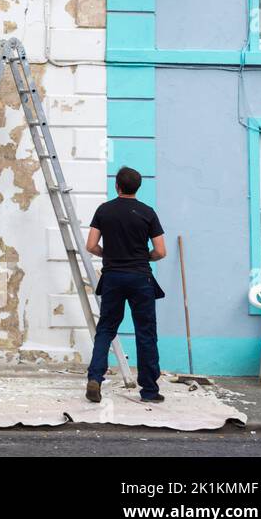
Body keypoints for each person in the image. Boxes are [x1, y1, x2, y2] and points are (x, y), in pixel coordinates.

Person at [84, 166, 167, 404]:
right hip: (141, 278)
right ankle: (150, 391)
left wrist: (109, 255)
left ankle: (95, 379)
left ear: (117, 186)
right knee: (146, 332)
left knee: (106, 329)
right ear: (137, 187)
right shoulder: (148, 213)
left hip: (112, 277)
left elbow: (91, 246)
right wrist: (144, 257)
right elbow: (161, 251)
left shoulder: (104, 210)